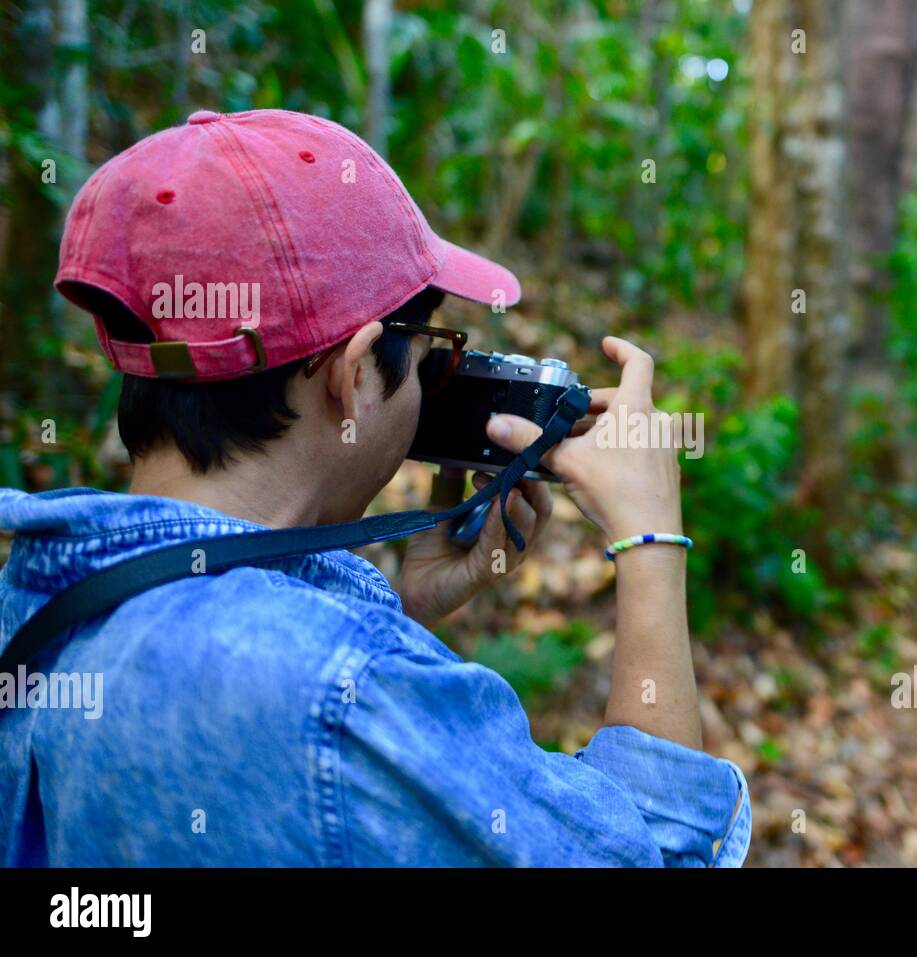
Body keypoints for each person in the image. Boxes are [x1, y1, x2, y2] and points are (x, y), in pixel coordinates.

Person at [0, 109, 749, 867]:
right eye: (431, 357)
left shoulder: (30, 593)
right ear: (355, 376)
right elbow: (654, 851)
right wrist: (651, 542)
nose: (432, 386)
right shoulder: (342, 692)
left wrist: (396, 613)